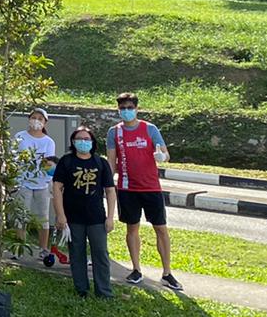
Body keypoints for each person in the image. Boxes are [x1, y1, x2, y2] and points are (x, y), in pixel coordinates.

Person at [107, 92, 181, 291]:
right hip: (126, 188)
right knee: (132, 228)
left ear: (137, 109)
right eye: (122, 108)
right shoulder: (114, 132)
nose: (126, 111)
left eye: (130, 108)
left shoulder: (150, 128)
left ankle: (167, 273)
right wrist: (105, 183)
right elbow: (111, 162)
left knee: (161, 229)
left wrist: (161, 157)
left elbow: (165, 153)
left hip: (151, 187)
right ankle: (136, 269)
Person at [53, 124, 117, 298]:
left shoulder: (100, 163)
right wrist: (60, 215)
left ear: (93, 142)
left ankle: (104, 291)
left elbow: (110, 191)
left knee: (101, 254)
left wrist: (110, 217)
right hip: (73, 217)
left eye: (86, 139)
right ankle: (81, 288)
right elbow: (57, 188)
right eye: (79, 139)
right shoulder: (66, 162)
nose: (83, 142)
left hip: (96, 217)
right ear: (73, 142)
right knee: (76, 253)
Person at [15, 108, 59, 265]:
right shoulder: (20, 137)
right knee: (21, 216)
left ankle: (43, 248)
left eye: (40, 118)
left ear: (45, 122)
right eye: (33, 117)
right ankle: (19, 247)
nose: (36, 120)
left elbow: (49, 164)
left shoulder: (48, 141)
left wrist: (50, 178)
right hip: (22, 181)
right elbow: (14, 158)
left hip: (41, 183)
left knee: (42, 217)